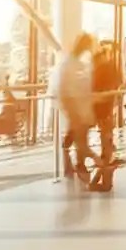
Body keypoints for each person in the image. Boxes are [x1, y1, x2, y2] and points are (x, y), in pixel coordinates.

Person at [51, 32, 98, 184]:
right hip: (74, 107)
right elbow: (64, 88)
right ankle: (91, 163)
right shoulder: (69, 64)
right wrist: (72, 108)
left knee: (77, 136)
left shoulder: (77, 63)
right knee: (80, 139)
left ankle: (76, 165)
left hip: (79, 107)